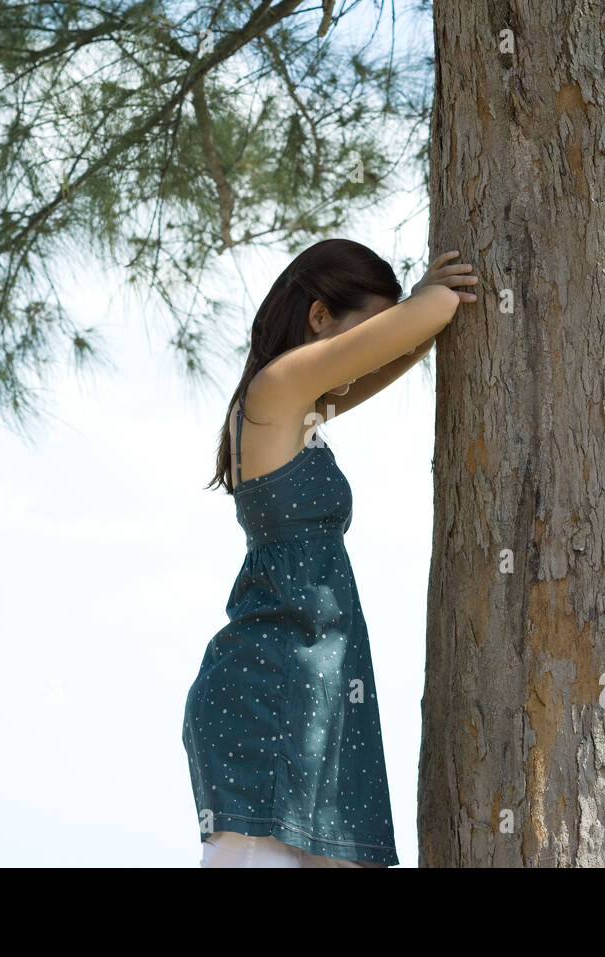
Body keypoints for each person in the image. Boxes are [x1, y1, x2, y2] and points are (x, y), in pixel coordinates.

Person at [183, 240, 478, 867]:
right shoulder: (275, 390)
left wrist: (418, 322)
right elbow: (425, 318)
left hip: (317, 700)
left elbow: (404, 343)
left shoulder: (302, 406)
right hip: (267, 698)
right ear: (320, 317)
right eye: (363, 329)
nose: (368, 346)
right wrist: (434, 290)